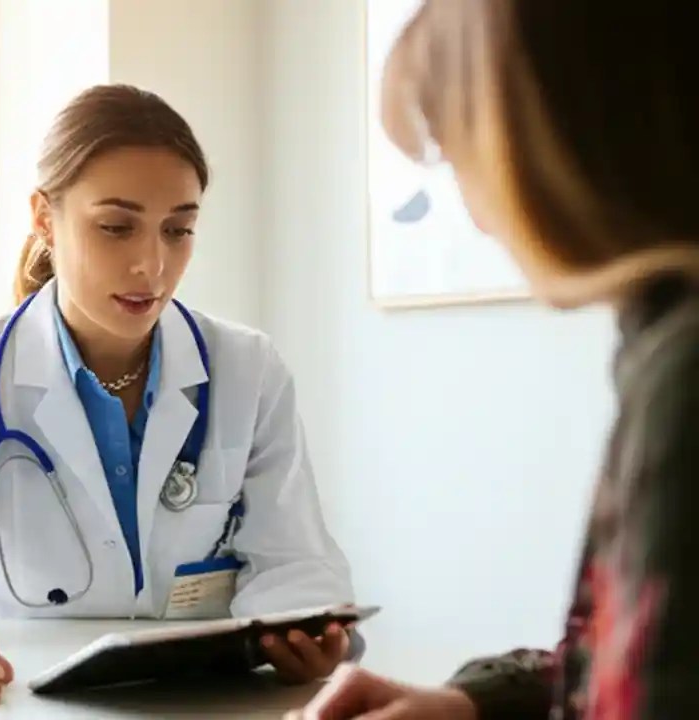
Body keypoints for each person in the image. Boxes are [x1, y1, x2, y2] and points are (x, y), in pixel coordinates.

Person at [0, 84, 358, 703]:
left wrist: (301, 627)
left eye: (179, 230)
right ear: (42, 218)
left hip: (201, 703)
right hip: (16, 701)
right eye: (116, 227)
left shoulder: (248, 369)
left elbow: (295, 558)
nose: (152, 266)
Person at [293, 2, 699, 719]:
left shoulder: (685, 373)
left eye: (460, 157)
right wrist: (465, 704)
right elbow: (619, 662)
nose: (481, 216)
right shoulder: (661, 341)